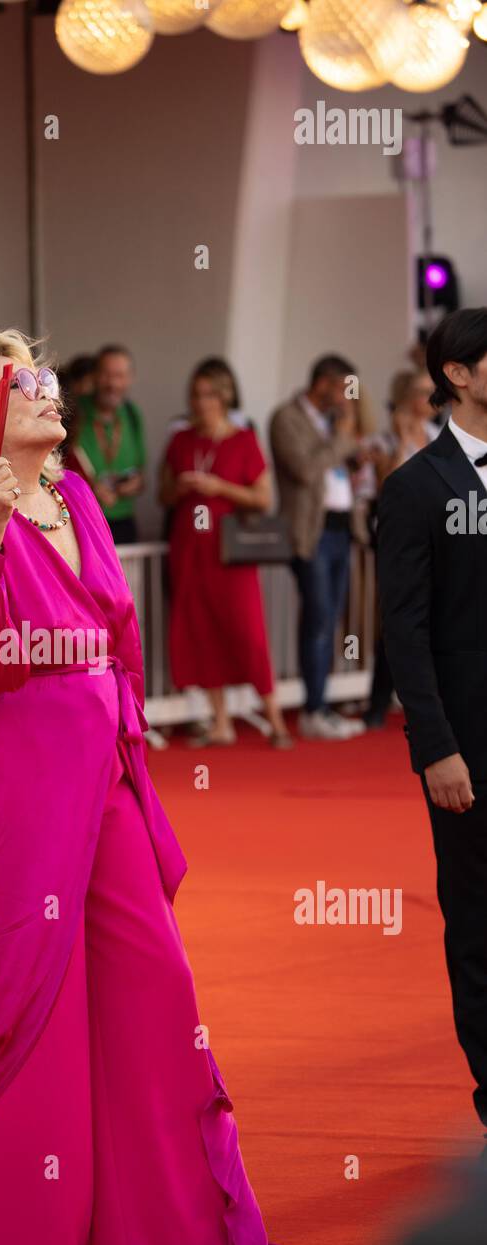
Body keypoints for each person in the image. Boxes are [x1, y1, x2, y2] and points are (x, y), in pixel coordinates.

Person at [0, 327, 334, 1245]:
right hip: (13, 784)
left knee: (157, 987)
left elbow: (118, 633)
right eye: (33, 384)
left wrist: (129, 731)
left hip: (105, 769)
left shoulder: (81, 496)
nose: (56, 395)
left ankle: (163, 1241)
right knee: (34, 1012)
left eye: (53, 380)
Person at [378, 307, 487, 1137]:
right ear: (457, 373)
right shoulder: (415, 490)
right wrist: (436, 747)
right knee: (479, 921)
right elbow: (404, 634)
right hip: (469, 745)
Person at [160, 364, 292, 748]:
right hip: (188, 544)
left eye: (208, 395)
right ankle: (221, 722)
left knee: (248, 631)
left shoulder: (244, 440)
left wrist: (220, 487)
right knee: (201, 630)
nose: (200, 403)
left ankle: (275, 720)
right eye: (195, 395)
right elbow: (162, 496)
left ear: (224, 397)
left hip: (229, 549)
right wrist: (184, 488)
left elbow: (264, 498)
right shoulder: (180, 441)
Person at [270, 355, 366, 741]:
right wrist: (341, 440)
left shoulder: (329, 421)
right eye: (343, 387)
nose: (346, 397)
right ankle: (313, 708)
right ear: (324, 383)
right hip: (311, 532)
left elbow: (339, 465)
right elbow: (304, 470)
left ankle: (323, 705)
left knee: (332, 618)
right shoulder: (286, 418)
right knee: (319, 617)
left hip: (342, 529)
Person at [364, 369, 441, 729]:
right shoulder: (383, 441)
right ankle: (378, 701)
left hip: (442, 535)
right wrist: (401, 440)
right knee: (398, 618)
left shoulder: (441, 436)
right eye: (424, 391)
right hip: (400, 539)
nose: (431, 398)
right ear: (406, 396)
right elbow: (388, 489)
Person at [69, 344, 146, 544]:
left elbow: (142, 473)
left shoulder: (131, 413)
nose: (112, 383)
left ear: (130, 378)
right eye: (106, 375)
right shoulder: (74, 412)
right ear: (94, 375)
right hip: (83, 520)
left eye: (120, 375)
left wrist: (134, 484)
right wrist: (88, 489)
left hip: (123, 521)